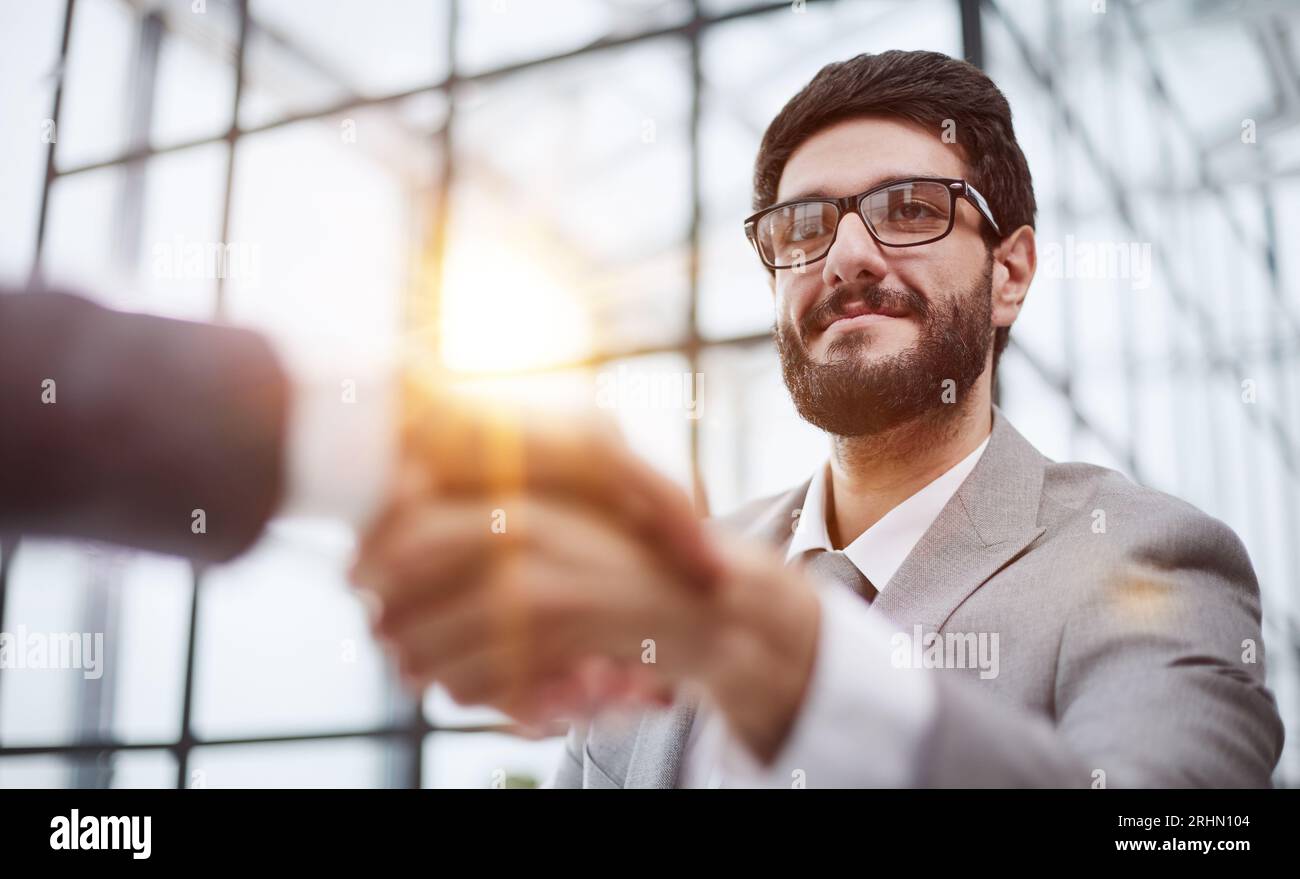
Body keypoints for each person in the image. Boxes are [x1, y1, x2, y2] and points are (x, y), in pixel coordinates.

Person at [350, 50, 1284, 788]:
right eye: (801, 226)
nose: (845, 256)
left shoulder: (1144, 557)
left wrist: (777, 652)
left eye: (909, 208)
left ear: (1010, 274)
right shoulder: (681, 572)